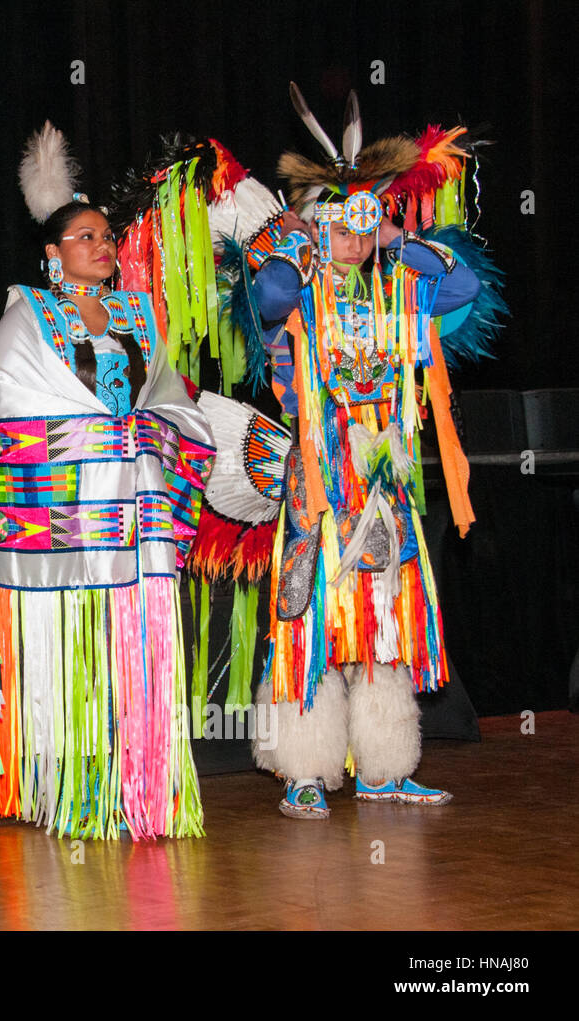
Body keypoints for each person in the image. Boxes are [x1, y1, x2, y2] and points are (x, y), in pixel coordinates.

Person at [244, 86, 502, 818]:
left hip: (385, 484)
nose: (353, 242)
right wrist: (298, 243)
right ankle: (303, 769)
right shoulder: (294, 296)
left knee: (387, 620)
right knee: (307, 613)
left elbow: (466, 283)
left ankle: (386, 767)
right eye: (341, 228)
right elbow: (264, 295)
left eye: (364, 227)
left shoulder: (397, 297)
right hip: (318, 489)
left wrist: (396, 241)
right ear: (317, 229)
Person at [0, 124, 214, 840]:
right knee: (73, 651)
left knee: (135, 649)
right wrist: (101, 439)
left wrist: (156, 434)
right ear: (53, 255)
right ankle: (76, 789)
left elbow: (171, 401)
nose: (104, 245)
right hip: (71, 524)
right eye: (85, 237)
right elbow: (9, 401)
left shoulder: (140, 315)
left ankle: (145, 784)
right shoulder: (28, 319)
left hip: (136, 514)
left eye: (107, 235)